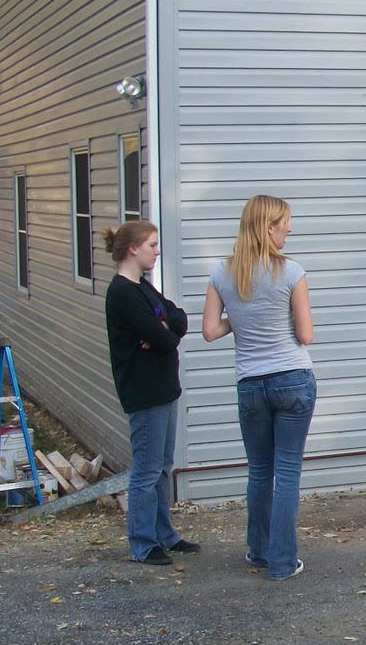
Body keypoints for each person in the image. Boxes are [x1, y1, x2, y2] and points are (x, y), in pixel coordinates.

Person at [203, 195, 316, 580]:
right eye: (285, 223)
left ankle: (259, 552)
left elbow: (210, 330)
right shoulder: (291, 271)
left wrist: (241, 317)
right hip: (292, 380)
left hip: (250, 385)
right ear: (268, 227)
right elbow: (306, 334)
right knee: (287, 473)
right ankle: (283, 563)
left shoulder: (223, 272)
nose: (289, 229)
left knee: (259, 472)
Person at [103, 219, 199, 564]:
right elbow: (165, 338)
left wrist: (165, 326)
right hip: (144, 392)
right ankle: (143, 543)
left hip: (165, 388)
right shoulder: (122, 293)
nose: (157, 252)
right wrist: (162, 331)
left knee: (162, 467)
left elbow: (179, 319)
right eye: (152, 246)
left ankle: (164, 534)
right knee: (146, 469)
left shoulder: (144, 287)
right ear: (133, 249)